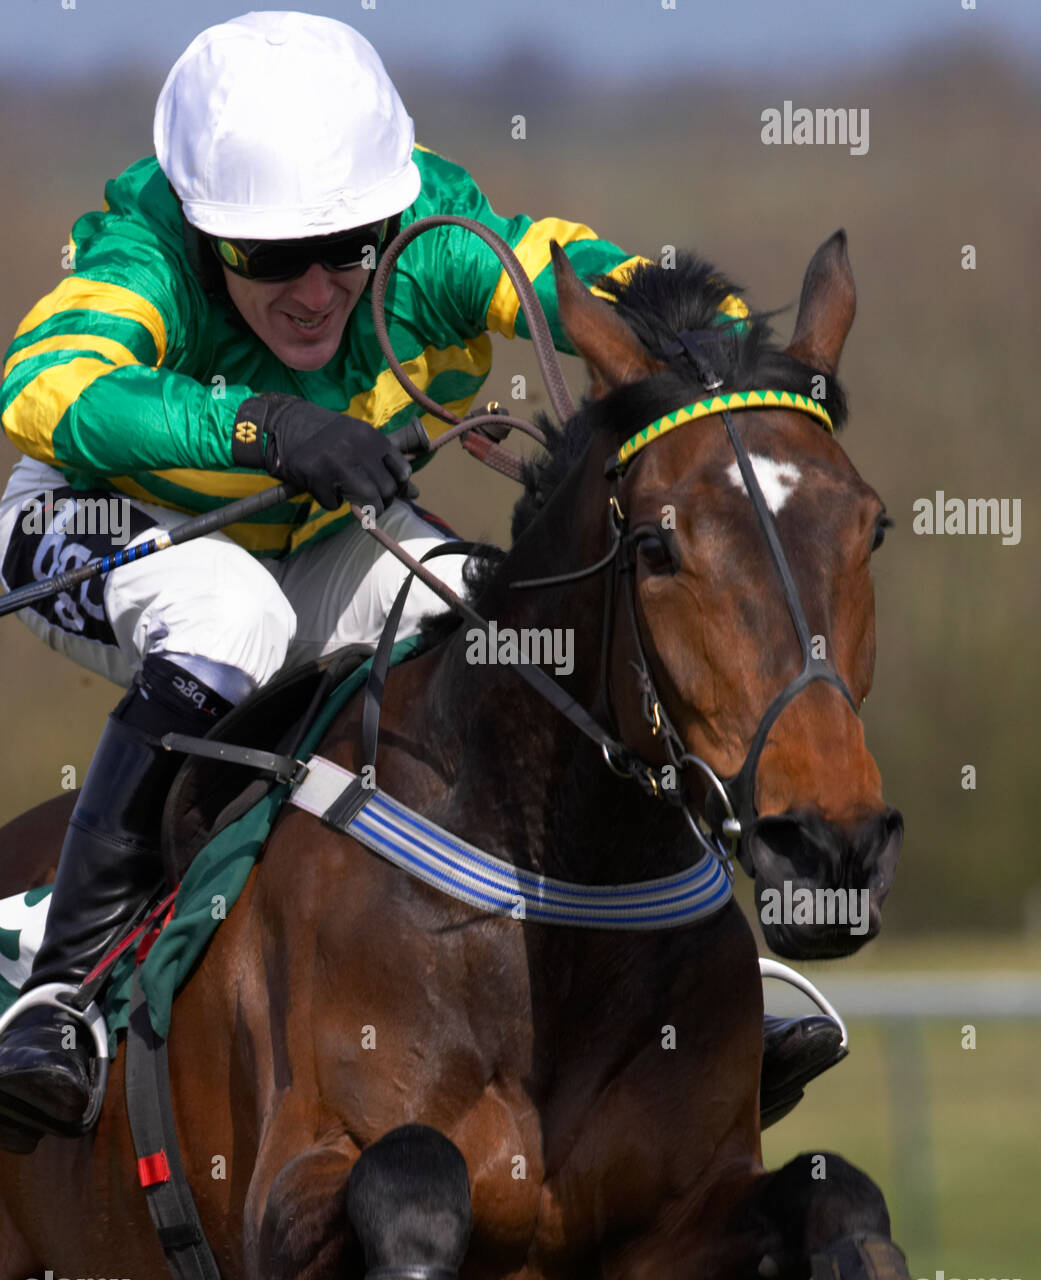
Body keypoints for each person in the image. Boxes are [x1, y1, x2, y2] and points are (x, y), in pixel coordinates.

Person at [0, 12, 841, 1147]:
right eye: (263, 257)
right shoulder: (142, 245)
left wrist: (731, 356)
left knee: (496, 626)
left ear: (386, 219)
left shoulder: (436, 238)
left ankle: (682, 975)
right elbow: (47, 384)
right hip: (101, 525)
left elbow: (581, 274)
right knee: (233, 614)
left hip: (316, 535)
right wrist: (267, 425)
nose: (310, 289)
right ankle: (60, 997)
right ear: (203, 235)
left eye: (345, 247)